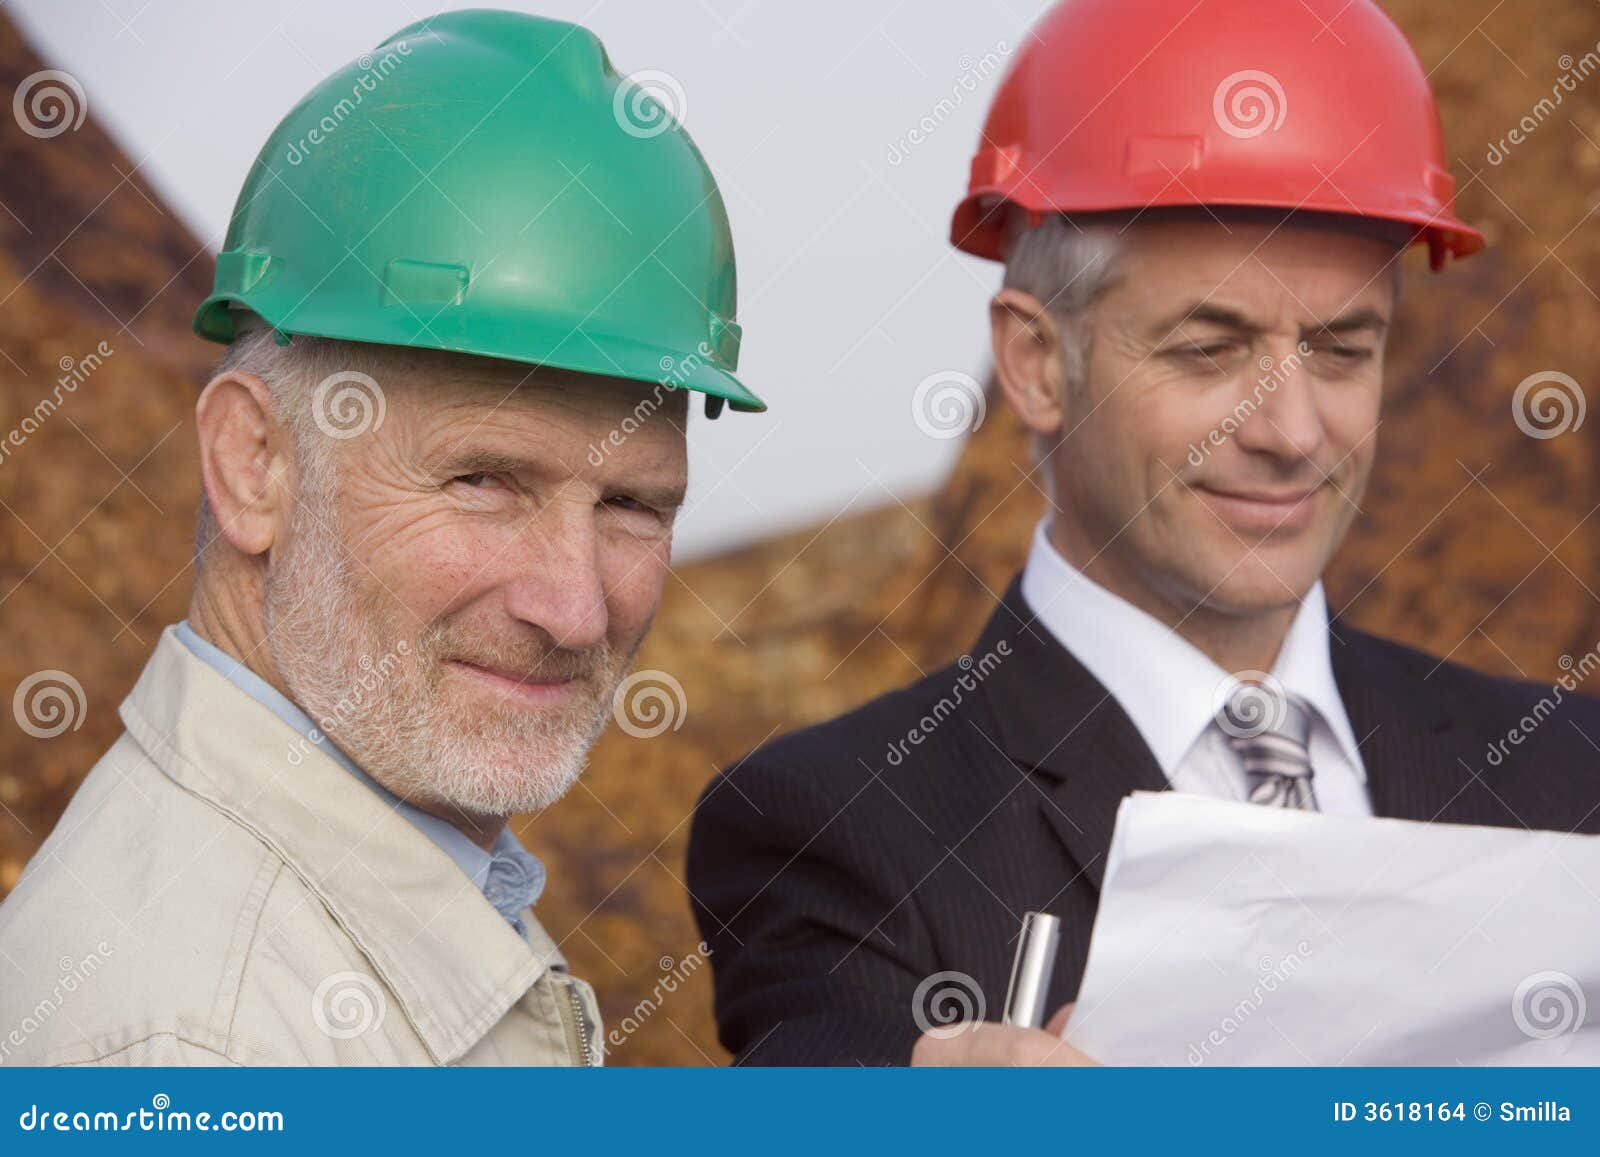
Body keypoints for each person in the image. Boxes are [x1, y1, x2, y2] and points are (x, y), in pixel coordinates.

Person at [687, 0, 1600, 1066]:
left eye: (1343, 350)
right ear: (1035, 364)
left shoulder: (1568, 780)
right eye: (1209, 350)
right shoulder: (839, 824)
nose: (1293, 432)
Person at [0, 9, 762, 1067]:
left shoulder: (388, 899)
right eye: (485, 480)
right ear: (252, 462)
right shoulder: (195, 1048)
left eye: (633, 505)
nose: (576, 607)